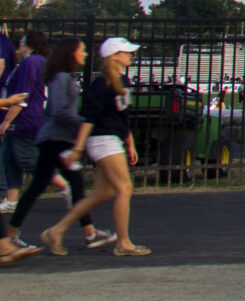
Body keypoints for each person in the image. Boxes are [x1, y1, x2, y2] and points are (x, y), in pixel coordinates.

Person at [40, 38, 148, 257]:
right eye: (126, 52)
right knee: (125, 188)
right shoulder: (102, 83)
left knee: (102, 193)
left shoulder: (122, 80)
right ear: (114, 56)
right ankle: (123, 243)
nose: (131, 55)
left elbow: (121, 115)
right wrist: (78, 149)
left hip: (112, 138)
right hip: (103, 140)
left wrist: (130, 142)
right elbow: (90, 118)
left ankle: (56, 231)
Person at [7, 37, 111, 256]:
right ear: (70, 53)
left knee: (71, 185)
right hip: (54, 140)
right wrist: (83, 121)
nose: (85, 54)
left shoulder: (64, 77)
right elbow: (58, 110)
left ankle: (89, 233)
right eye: (81, 50)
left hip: (59, 139)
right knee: (42, 187)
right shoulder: (61, 78)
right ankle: (10, 235)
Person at [1, 30, 49, 217]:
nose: (18, 45)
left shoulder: (31, 62)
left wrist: (7, 120)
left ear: (29, 44)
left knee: (26, 159)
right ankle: (11, 200)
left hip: (25, 119)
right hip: (25, 117)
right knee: (9, 159)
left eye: (22, 42)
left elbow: (21, 96)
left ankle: (64, 181)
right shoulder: (34, 62)